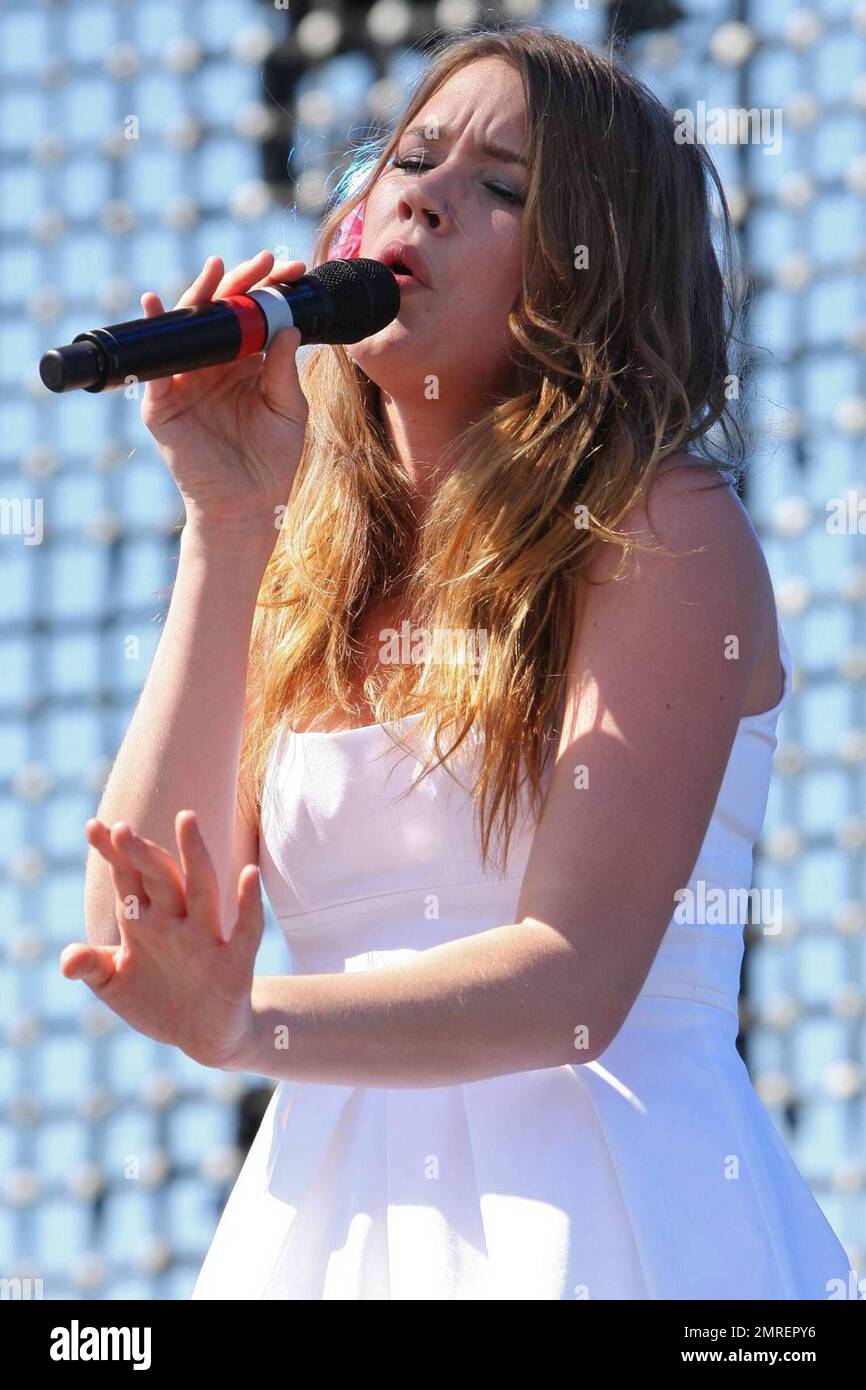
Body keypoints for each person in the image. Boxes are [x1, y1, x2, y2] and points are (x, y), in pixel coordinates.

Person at [65, 26, 853, 1300]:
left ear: (588, 278)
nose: (424, 196)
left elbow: (572, 979)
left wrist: (251, 1024)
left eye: (501, 187)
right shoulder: (303, 561)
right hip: (326, 1230)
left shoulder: (660, 524)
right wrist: (227, 522)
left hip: (600, 1221)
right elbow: (131, 927)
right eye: (411, 158)